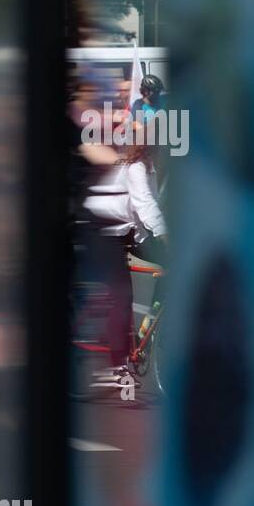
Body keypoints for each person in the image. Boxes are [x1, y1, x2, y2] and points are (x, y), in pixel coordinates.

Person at [82, 138, 169, 390]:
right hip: (102, 227)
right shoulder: (137, 167)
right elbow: (146, 206)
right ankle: (116, 366)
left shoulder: (153, 169)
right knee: (122, 294)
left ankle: (146, 331)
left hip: (129, 230)